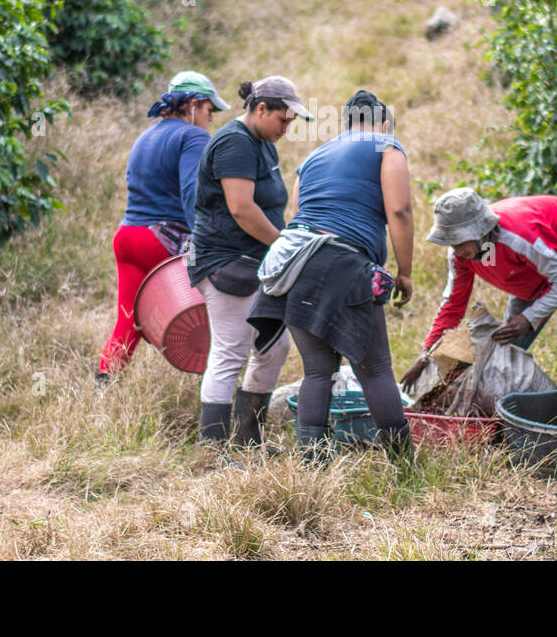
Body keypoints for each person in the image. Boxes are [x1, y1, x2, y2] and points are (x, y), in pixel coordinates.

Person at [248, 90, 414, 460]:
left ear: (346, 126)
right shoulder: (386, 145)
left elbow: (296, 217)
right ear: (384, 124)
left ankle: (312, 466)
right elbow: (400, 210)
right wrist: (405, 272)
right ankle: (405, 467)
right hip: (342, 263)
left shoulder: (310, 160)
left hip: (291, 266)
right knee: (375, 370)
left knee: (318, 372)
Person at [188, 75, 313, 447]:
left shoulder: (262, 142)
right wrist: (285, 245)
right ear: (261, 109)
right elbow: (242, 209)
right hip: (226, 263)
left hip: (257, 264)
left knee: (274, 346)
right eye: (283, 119)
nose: (286, 128)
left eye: (291, 122)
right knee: (231, 352)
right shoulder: (234, 142)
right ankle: (212, 446)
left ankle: (247, 438)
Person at [402, 188, 557, 391]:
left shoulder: (518, 237)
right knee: (507, 347)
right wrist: (426, 350)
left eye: (461, 241)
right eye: (451, 242)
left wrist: (528, 318)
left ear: (480, 230)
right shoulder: (460, 254)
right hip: (535, 266)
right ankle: (504, 407)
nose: (457, 250)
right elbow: (453, 305)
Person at [98, 71, 229, 379]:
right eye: (210, 111)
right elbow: (191, 192)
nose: (210, 119)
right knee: (217, 313)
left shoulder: (147, 135)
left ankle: (102, 389)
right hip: (161, 240)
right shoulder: (193, 136)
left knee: (129, 321)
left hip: (128, 237)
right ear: (195, 104)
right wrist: (204, 241)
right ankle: (220, 394)